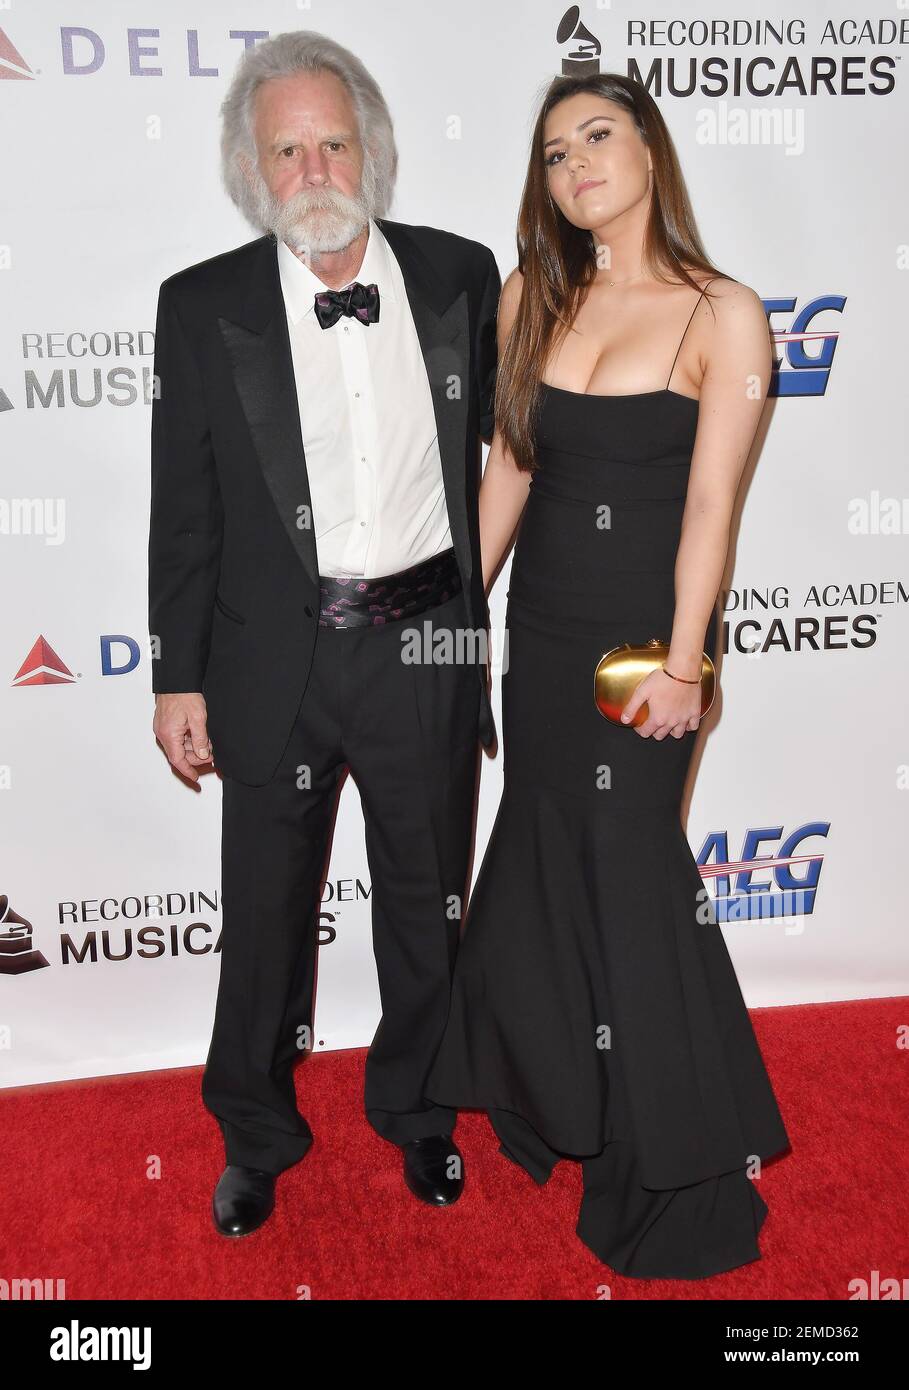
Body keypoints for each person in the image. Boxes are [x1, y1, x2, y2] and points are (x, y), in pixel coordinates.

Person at [427, 72, 791, 1279]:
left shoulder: (721, 313)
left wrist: (686, 664)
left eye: (597, 136)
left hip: (645, 651)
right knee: (543, 867)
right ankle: (562, 1098)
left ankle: (679, 1164)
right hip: (544, 638)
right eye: (551, 152)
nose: (574, 163)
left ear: (652, 150)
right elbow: (512, 474)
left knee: (635, 885)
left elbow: (710, 505)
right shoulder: (538, 292)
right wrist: (448, 616)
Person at [147, 30, 501, 1236]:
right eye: (285, 149)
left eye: (332, 142)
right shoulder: (202, 306)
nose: (312, 171)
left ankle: (420, 1112)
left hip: (424, 649)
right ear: (254, 170)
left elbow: (512, 465)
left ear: (373, 151)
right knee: (263, 921)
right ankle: (255, 1133)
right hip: (272, 665)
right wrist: (176, 674)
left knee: (427, 904)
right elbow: (183, 508)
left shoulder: (463, 276)